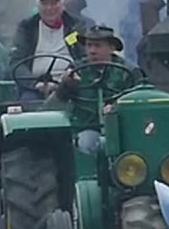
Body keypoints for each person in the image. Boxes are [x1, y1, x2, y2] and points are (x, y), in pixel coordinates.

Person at [43, 23, 142, 155]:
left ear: (112, 48)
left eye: (98, 46)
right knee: (86, 143)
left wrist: (116, 107)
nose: (92, 51)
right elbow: (55, 103)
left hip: (123, 128)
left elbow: (139, 102)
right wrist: (66, 85)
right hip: (88, 127)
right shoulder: (76, 69)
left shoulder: (130, 71)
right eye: (89, 45)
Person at [11, 0, 85, 101]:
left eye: (54, 3)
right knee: (27, 101)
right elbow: (17, 61)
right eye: (44, 4)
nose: (49, 8)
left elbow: (84, 56)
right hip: (35, 88)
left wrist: (70, 74)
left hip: (70, 85)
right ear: (38, 6)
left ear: (62, 4)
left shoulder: (75, 26)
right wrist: (34, 84)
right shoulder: (27, 28)